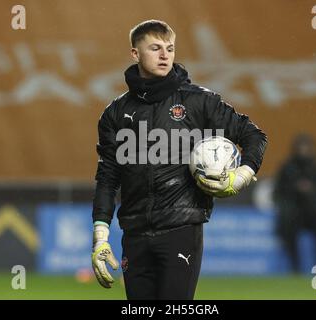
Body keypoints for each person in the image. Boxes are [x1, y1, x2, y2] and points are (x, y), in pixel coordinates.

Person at [91, 20, 267, 300]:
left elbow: (254, 136)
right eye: (155, 48)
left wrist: (242, 175)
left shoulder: (199, 102)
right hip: (134, 234)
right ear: (135, 54)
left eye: (170, 48)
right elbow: (107, 178)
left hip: (180, 230)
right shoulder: (115, 113)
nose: (164, 55)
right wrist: (100, 237)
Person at [273, 133, 316, 274]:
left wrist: (311, 190)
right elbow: (278, 191)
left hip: (311, 211)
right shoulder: (287, 167)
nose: (304, 150)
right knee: (287, 228)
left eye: (306, 147)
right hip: (293, 212)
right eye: (301, 147)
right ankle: (295, 268)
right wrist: (295, 188)